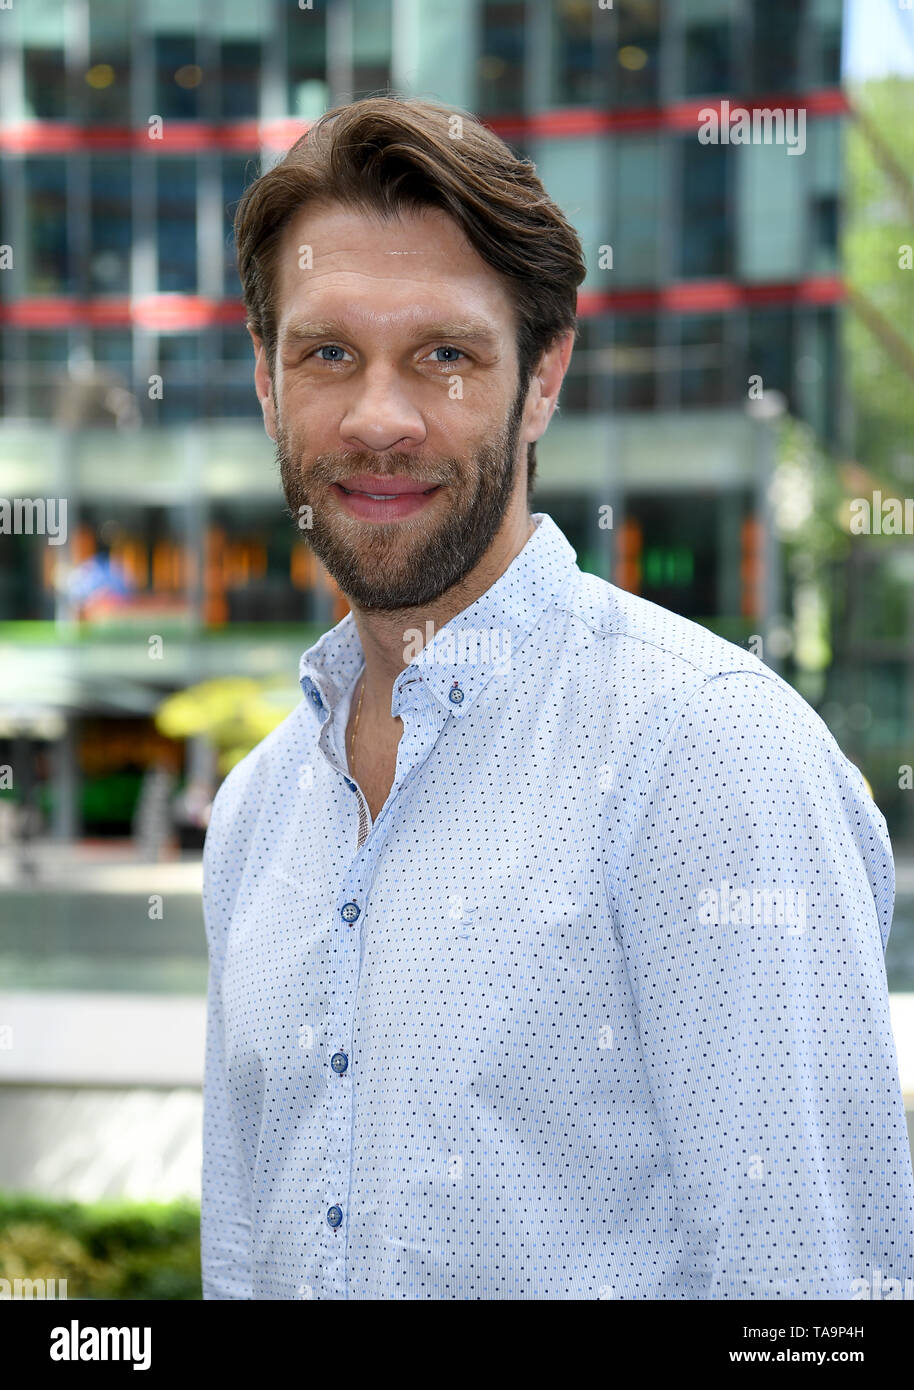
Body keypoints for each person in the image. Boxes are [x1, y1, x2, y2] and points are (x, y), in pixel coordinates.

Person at [201, 95, 914, 1300]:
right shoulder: (255, 815)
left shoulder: (707, 753)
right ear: (270, 391)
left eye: (445, 355)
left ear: (540, 381)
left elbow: (817, 1307)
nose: (380, 418)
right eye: (328, 354)